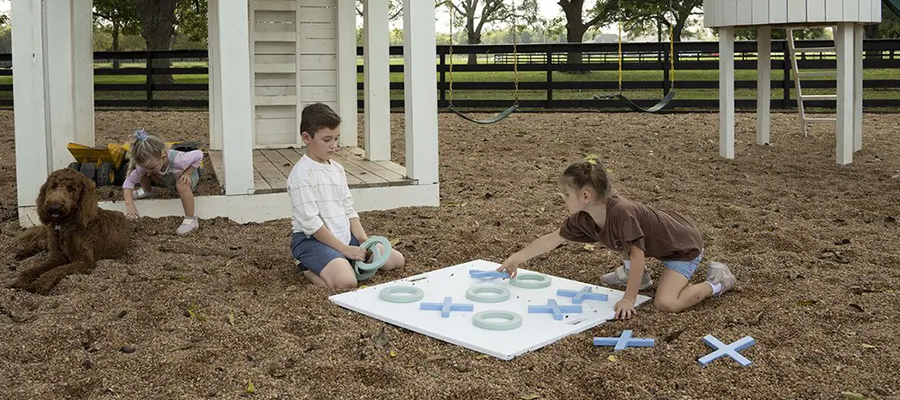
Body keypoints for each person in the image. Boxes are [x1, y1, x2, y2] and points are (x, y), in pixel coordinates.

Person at [497, 156, 735, 319]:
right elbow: (552, 239)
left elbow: (638, 256)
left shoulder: (622, 213)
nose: (563, 198)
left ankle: (718, 282)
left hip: (683, 248)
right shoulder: (583, 217)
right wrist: (517, 258)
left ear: (586, 196)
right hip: (657, 240)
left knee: (666, 303)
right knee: (625, 242)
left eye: (566, 194)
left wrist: (628, 299)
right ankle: (639, 278)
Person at [288, 103, 405, 288]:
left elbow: (348, 209)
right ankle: (306, 269)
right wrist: (344, 250)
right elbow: (311, 224)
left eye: (336, 138)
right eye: (327, 140)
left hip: (343, 235)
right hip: (312, 241)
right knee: (347, 282)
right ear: (306, 138)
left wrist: (363, 240)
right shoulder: (301, 174)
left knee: (396, 260)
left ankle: (341, 260)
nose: (334, 145)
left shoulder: (337, 169)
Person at [123, 130, 203, 235]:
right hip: (169, 180)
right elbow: (129, 181)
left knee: (181, 184)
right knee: (142, 173)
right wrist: (129, 204)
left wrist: (187, 173)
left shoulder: (180, 160)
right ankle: (147, 191)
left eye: (151, 167)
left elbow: (199, 155)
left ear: (163, 157)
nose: (148, 170)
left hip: (186, 178)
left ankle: (190, 219)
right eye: (146, 167)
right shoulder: (150, 164)